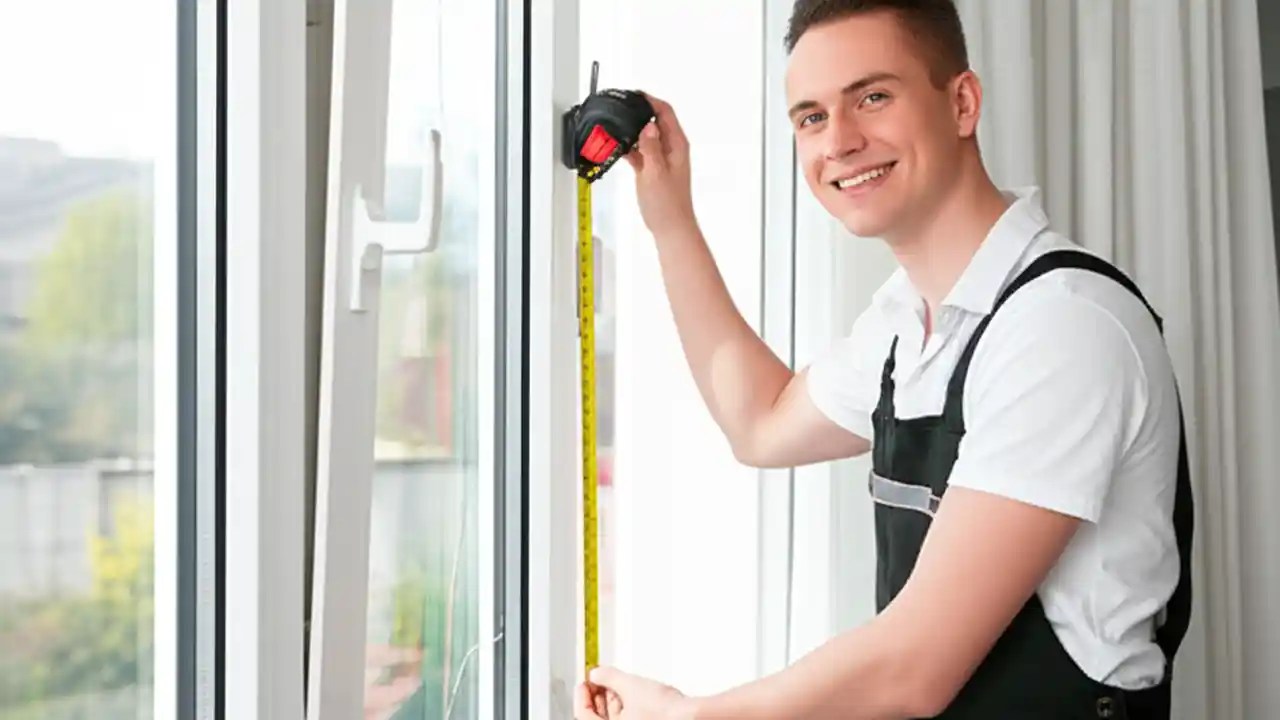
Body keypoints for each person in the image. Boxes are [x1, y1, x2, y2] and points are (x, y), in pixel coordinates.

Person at [575, 0, 1194, 718]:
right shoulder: (909, 322)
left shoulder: (1061, 325)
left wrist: (691, 716)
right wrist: (669, 214)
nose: (839, 140)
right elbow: (762, 423)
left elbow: (915, 668)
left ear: (961, 103)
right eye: (810, 117)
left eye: (872, 97)